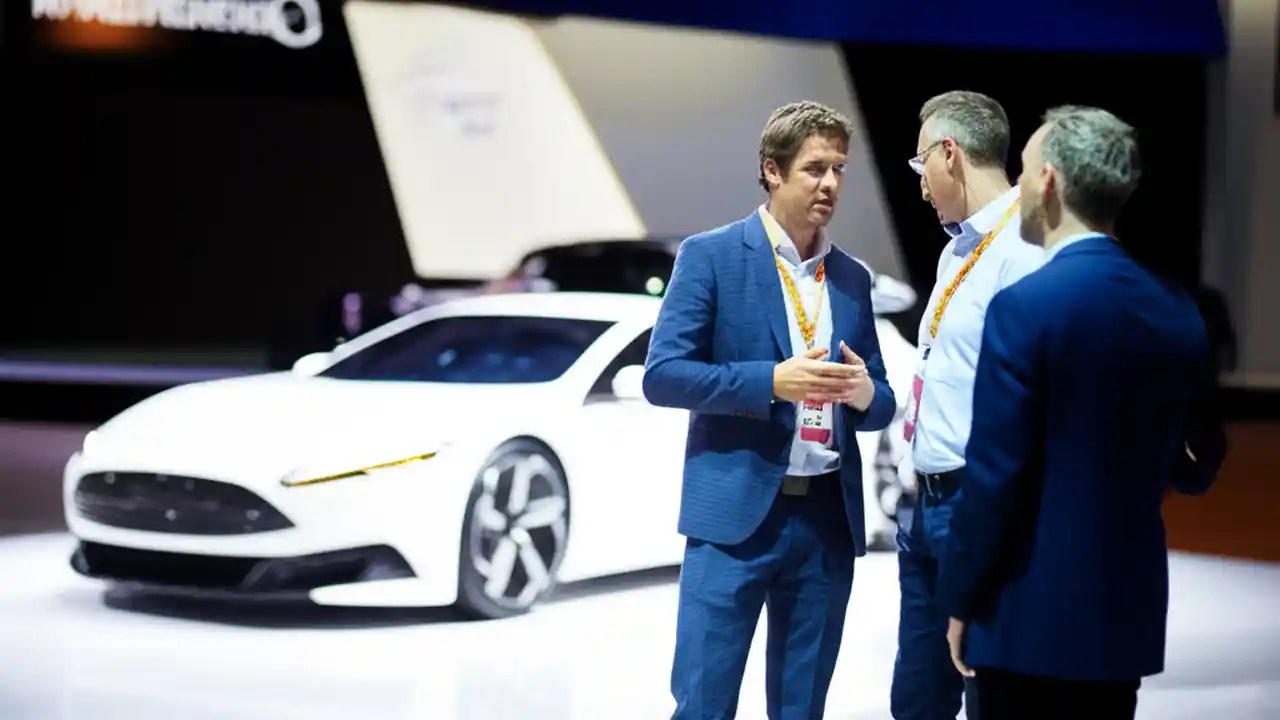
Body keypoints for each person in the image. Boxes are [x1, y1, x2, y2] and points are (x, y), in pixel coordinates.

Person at [936, 105, 1227, 720]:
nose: (1015, 188)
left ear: (1048, 183)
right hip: (1123, 613)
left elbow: (995, 480)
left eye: (1022, 172)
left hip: (1023, 617)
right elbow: (1200, 464)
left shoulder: (1024, 307)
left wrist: (960, 597)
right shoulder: (1179, 313)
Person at [643, 100, 897, 719]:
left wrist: (864, 394)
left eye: (839, 169)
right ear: (772, 170)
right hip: (732, 519)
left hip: (825, 522)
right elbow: (664, 376)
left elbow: (882, 400)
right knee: (704, 703)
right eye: (815, 169)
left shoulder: (852, 279)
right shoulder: (711, 256)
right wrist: (770, 382)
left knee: (802, 707)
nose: (831, 184)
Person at [891, 90, 1043, 720]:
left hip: (977, 508)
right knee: (917, 702)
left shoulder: (1025, 251)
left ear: (948, 154)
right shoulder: (956, 249)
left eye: (920, 162)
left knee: (989, 695)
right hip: (923, 506)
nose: (920, 182)